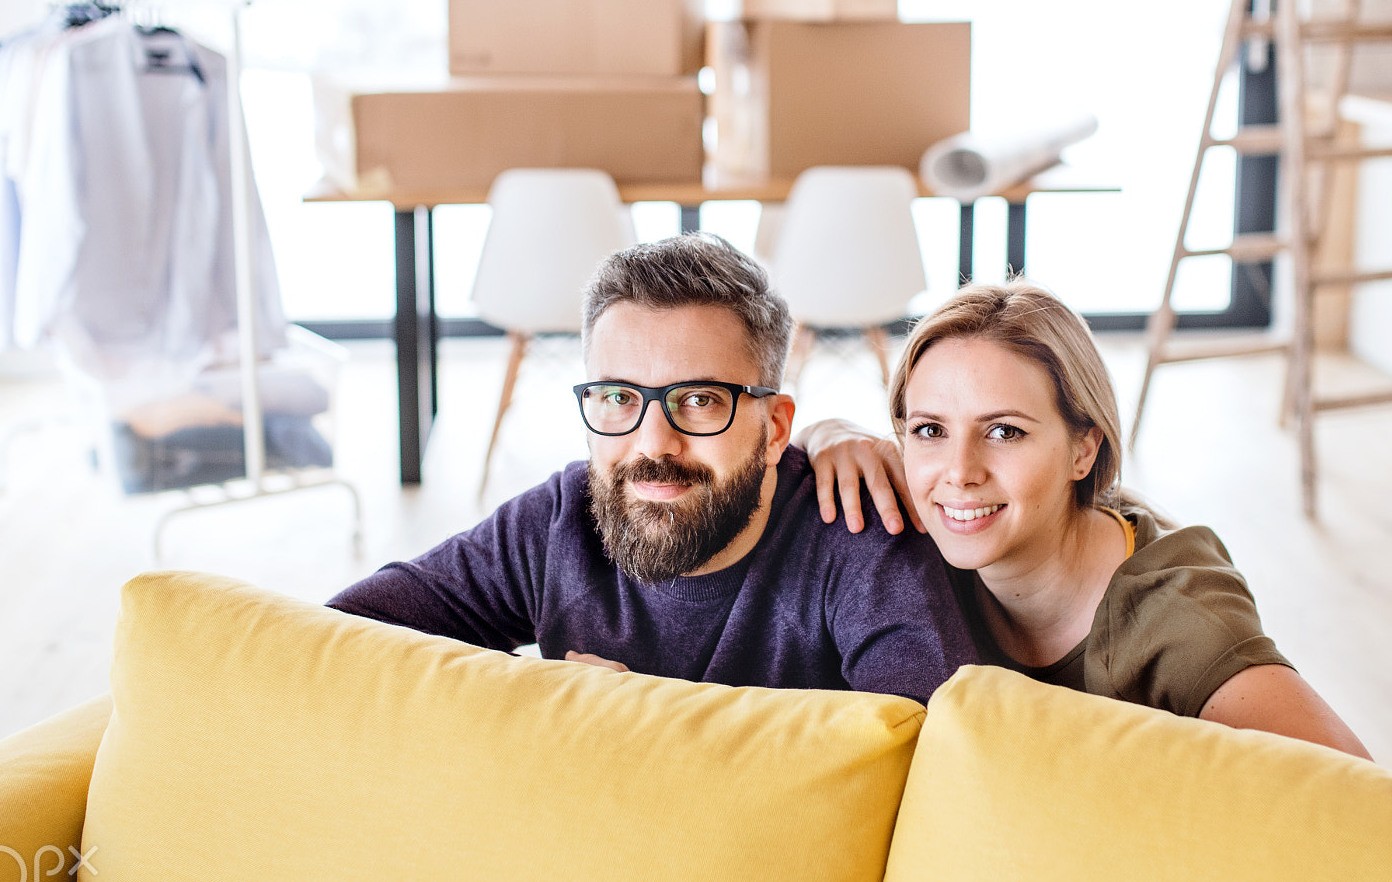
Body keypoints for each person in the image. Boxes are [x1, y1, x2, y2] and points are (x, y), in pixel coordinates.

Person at [328, 233, 977, 703]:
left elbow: (935, 771)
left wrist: (647, 725)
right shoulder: (559, 525)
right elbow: (333, 646)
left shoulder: (861, 528)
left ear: (776, 427)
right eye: (618, 397)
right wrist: (537, 699)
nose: (652, 441)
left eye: (698, 400)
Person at [802, 281, 1370, 756]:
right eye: (930, 430)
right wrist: (826, 434)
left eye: (1004, 432)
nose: (959, 471)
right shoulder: (917, 521)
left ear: (1084, 449)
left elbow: (1365, 798)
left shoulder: (1176, 616)